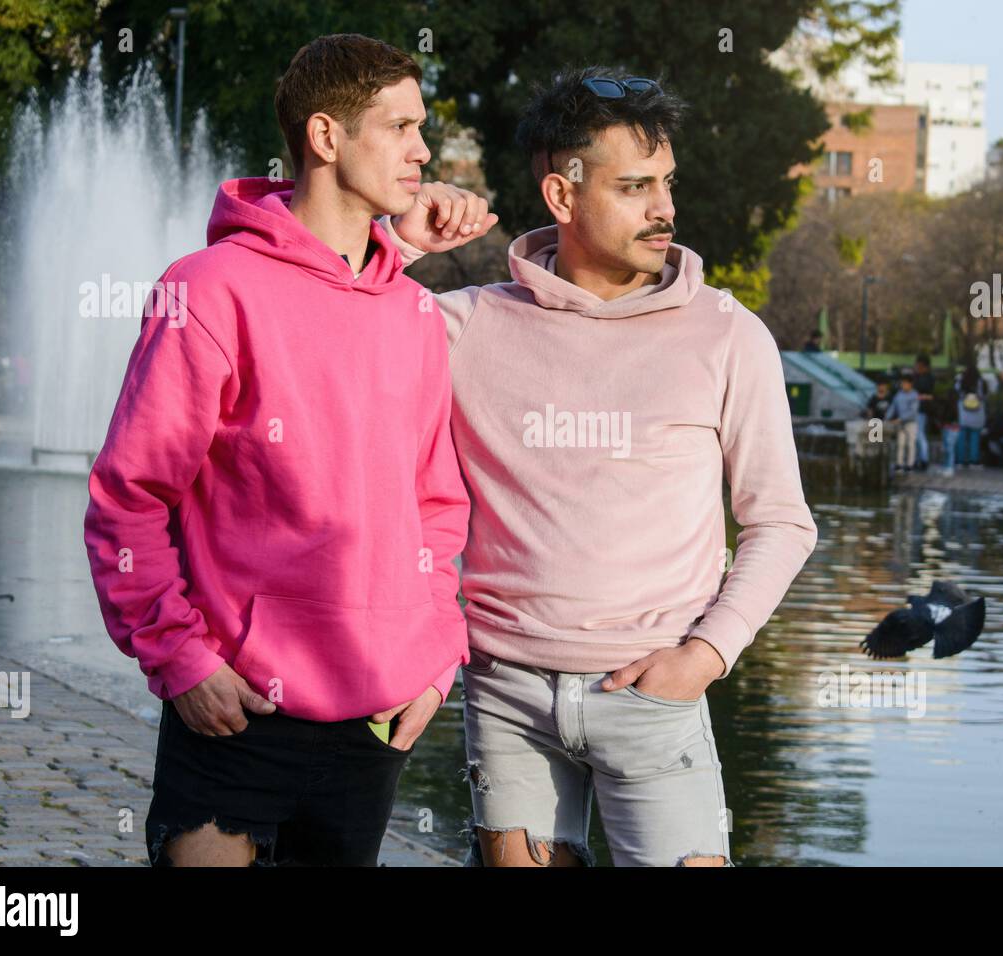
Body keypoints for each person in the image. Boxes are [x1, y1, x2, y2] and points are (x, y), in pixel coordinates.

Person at [382, 66, 818, 866]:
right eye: (635, 186)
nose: (665, 209)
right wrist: (400, 244)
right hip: (507, 695)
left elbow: (782, 522)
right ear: (563, 194)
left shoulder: (728, 334)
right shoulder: (467, 326)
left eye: (667, 183)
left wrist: (706, 655)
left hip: (656, 696)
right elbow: (322, 353)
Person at [83, 34, 471, 866]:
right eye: (400, 127)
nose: (423, 151)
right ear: (326, 136)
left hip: (373, 726)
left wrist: (437, 656)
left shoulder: (414, 314)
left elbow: (436, 508)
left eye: (421, 128)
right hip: (234, 717)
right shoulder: (208, 290)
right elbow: (130, 496)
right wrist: (178, 656)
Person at [886, 373, 920, 470]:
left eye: (905, 383)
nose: (903, 385)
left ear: (910, 384)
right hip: (900, 424)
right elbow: (893, 407)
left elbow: (913, 411)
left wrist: (900, 419)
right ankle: (899, 464)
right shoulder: (898, 395)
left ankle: (910, 464)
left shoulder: (915, 395)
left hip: (911, 423)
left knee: (910, 444)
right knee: (900, 444)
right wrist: (887, 418)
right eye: (902, 383)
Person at [956, 365, 986, 467]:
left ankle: (960, 460)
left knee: (962, 437)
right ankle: (973, 460)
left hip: (964, 414)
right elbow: (984, 396)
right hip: (977, 414)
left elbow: (956, 392)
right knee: (975, 438)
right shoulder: (981, 382)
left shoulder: (960, 381)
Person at [912, 354, 935, 469]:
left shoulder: (927, 378)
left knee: (919, 434)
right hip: (916, 409)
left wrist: (919, 397)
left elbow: (929, 395)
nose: (917, 367)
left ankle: (924, 459)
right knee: (917, 435)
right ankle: (918, 459)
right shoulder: (917, 377)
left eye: (919, 365)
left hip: (921, 409)